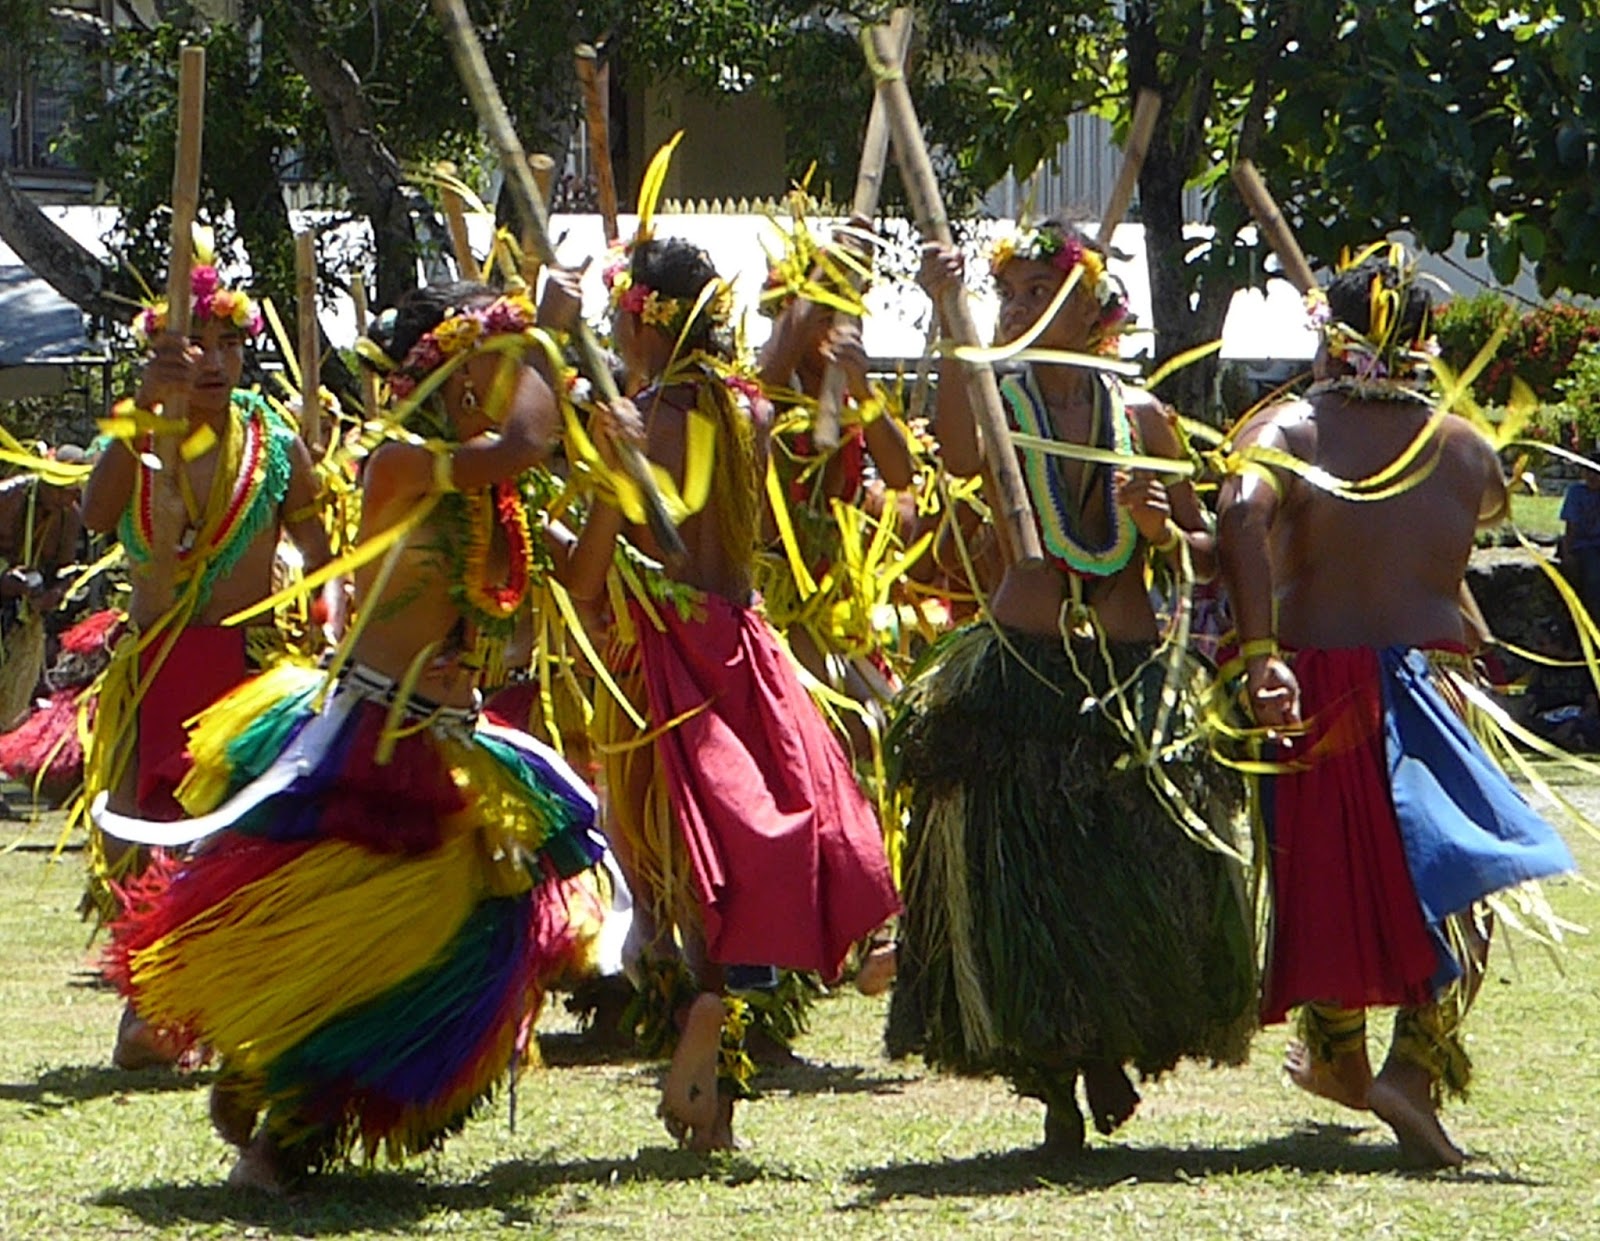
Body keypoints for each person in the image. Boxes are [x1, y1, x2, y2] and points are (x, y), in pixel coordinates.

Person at [98, 281, 610, 1192]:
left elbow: (578, 548)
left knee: (469, 945)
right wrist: (548, 332)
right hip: (372, 740)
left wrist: (611, 463)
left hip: (454, 736)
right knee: (365, 936)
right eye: (491, 366)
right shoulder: (402, 464)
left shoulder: (496, 497)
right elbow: (526, 438)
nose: (511, 380)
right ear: (454, 379)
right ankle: (280, 1132)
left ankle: (279, 1091)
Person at [888, 221, 1256, 1156]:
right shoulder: (997, 397)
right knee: (1024, 874)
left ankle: (1111, 1045)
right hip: (1022, 665)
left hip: (1130, 671)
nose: (1016, 308)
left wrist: (1162, 522)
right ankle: (1052, 1072)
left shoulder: (1144, 418)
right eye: (1006, 294)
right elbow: (962, 459)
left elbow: (1198, 548)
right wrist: (945, 312)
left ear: (1091, 308)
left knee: (1126, 866)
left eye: (1034, 291)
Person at [1216, 241, 1575, 1168]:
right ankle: (1403, 1068)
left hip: (1318, 689)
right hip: (1431, 688)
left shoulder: (1289, 429)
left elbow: (1236, 510)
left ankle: (1346, 1060)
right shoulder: (1466, 447)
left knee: (1325, 884)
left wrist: (1259, 656)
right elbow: (1473, 529)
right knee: (1463, 888)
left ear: (1329, 332)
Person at [561, 234, 901, 1151]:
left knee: (670, 867)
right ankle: (721, 1088)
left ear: (638, 319)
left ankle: (696, 1017)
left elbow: (590, 579)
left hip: (662, 660)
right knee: (741, 847)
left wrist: (590, 484)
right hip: (743, 639)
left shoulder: (638, 423)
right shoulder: (739, 409)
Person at [79, 258, 334, 1069]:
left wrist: (325, 641)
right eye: (200, 343)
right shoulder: (137, 431)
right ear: (162, 349)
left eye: (229, 343)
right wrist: (143, 408)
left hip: (247, 677)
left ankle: (235, 1006)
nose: (216, 361)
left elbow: (327, 559)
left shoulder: (275, 441)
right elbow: (94, 513)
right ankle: (148, 1004)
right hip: (158, 670)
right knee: (152, 842)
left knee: (235, 846)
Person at [1559, 461, 1600, 623]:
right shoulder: (1576, 492)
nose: (1592, 477)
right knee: (1593, 575)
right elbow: (1571, 526)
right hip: (1583, 544)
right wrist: (1567, 551)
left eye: (1596, 473)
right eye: (1588, 472)